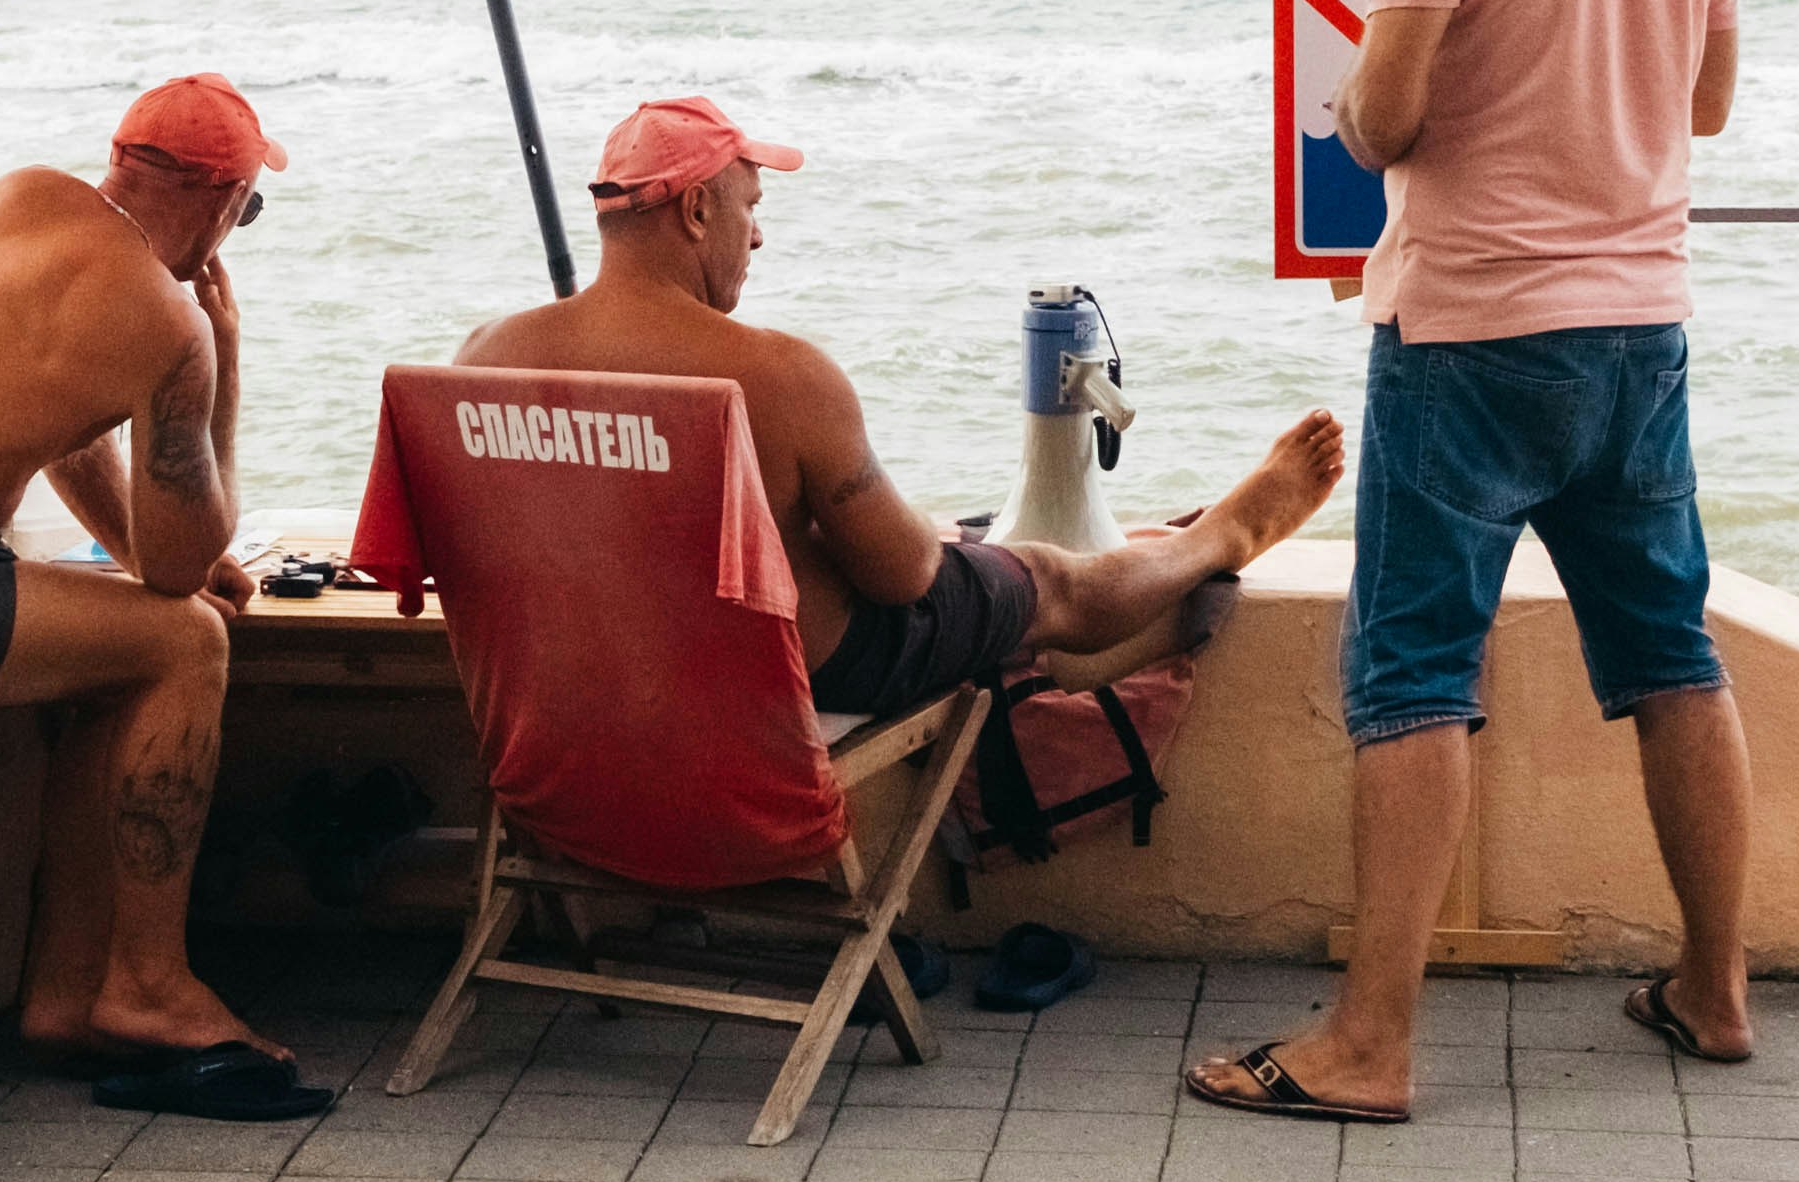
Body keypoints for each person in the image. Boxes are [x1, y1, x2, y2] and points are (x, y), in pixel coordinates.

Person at [1188, 0, 1753, 1126]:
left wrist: (1360, 112)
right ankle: (1713, 988)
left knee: (1411, 671)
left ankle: (1367, 1042)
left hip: (1472, 331)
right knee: (1669, 656)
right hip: (1638, 325)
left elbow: (1382, 115)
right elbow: (1705, 101)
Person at [456, 96, 1345, 723]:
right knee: (1045, 578)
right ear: (694, 209)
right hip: (788, 693)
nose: (757, 235)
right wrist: (938, 543)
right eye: (749, 209)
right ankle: (1219, 538)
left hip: (583, 706)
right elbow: (903, 578)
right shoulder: (779, 374)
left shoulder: (486, 357)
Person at [0, 72, 327, 1117]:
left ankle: (69, 994)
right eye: (249, 207)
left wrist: (138, 547)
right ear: (223, 197)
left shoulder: (20, 198)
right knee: (187, 644)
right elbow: (178, 576)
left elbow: (63, 434)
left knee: (127, 653)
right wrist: (224, 365)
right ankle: (150, 985)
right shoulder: (164, 321)